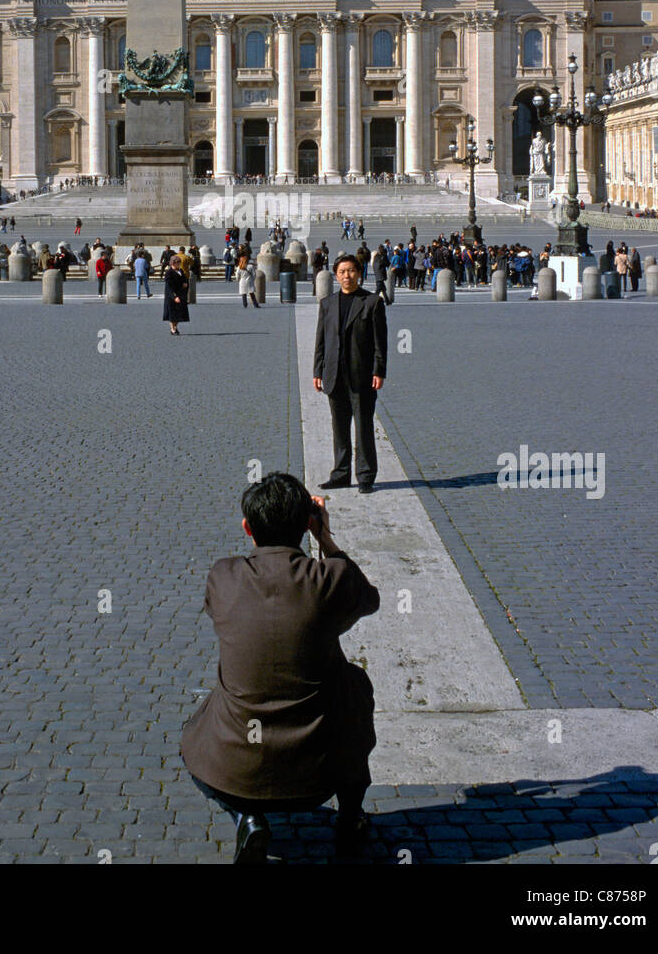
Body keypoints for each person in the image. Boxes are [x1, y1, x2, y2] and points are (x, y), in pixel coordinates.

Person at [181, 473, 379, 863]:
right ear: (306, 524)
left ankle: (247, 817)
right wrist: (324, 538)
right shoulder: (330, 578)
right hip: (322, 769)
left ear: (247, 528)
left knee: (203, 724)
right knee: (357, 684)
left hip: (236, 761)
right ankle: (350, 815)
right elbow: (367, 599)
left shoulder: (223, 576)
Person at [313, 254, 388, 493]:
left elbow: (380, 342)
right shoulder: (327, 303)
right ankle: (341, 473)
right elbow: (321, 341)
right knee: (339, 426)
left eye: (351, 271)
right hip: (334, 373)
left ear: (359, 273)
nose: (347, 276)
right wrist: (318, 370)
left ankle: (365, 476)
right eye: (342, 272)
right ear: (336, 276)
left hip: (362, 374)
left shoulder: (372, 302)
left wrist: (379, 370)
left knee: (364, 426)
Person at [163, 253, 189, 335]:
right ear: (173, 263)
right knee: (172, 314)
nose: (179, 264)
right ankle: (173, 329)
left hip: (181, 294)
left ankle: (174, 327)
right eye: (177, 263)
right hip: (172, 295)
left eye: (179, 262)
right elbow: (169, 286)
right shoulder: (169, 273)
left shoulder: (180, 271)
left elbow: (184, 279)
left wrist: (185, 283)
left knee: (180, 314)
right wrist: (174, 297)